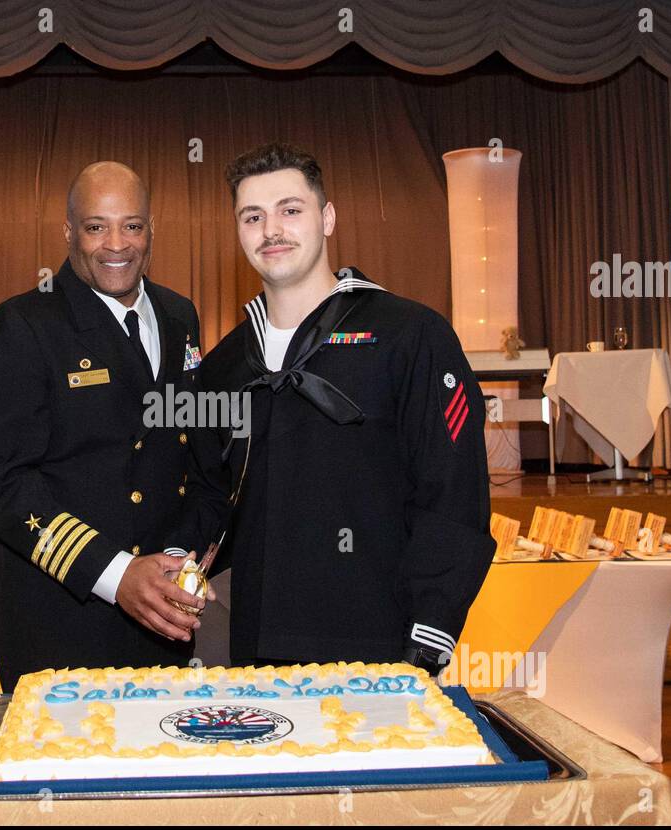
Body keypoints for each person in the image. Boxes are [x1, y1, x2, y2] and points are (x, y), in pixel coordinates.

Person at [167, 143, 494, 674]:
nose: (271, 229)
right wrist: (174, 562)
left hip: (380, 645)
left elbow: (453, 496)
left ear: (327, 218)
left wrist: (429, 636)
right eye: (253, 216)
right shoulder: (225, 365)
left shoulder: (409, 335)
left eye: (290, 210)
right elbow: (208, 492)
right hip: (251, 647)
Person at [0, 161, 206, 690]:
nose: (116, 244)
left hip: (166, 614)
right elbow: (0, 482)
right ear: (69, 232)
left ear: (150, 230)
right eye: (97, 226)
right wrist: (116, 575)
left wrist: (189, 552)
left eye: (132, 225)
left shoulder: (179, 315)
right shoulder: (21, 326)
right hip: (60, 617)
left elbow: (184, 446)